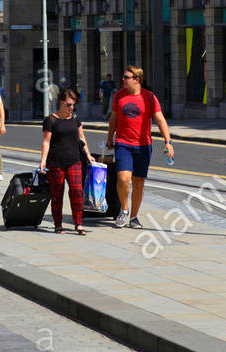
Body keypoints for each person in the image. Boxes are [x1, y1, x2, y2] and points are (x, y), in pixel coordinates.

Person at [104, 65, 174, 229]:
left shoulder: (149, 97)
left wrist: (168, 142)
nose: (123, 80)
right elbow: (113, 118)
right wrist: (109, 138)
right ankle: (124, 210)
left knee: (138, 182)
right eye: (123, 77)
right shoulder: (119, 96)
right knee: (123, 178)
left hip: (143, 146)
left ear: (136, 80)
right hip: (123, 143)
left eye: (126, 77)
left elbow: (160, 119)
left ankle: (134, 217)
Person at [40, 88, 94, 234]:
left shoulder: (75, 119)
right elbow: (46, 142)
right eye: (69, 105)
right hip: (55, 162)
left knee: (77, 190)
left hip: (74, 160)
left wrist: (88, 155)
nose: (71, 108)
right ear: (61, 102)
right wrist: (43, 161)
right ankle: (58, 224)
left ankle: (78, 223)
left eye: (73, 105)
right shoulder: (50, 120)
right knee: (57, 195)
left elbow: (82, 138)